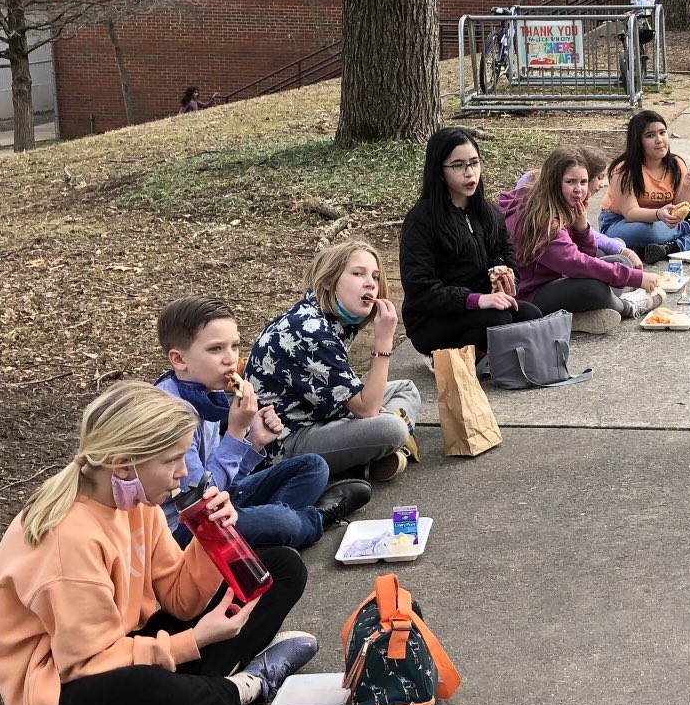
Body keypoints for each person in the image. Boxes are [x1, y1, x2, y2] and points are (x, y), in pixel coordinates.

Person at [0, 381, 319, 705]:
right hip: (64, 688)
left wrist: (213, 538)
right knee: (146, 687)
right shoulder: (67, 542)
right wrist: (194, 640)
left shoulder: (134, 498)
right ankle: (241, 686)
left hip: (123, 645)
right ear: (124, 462)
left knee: (281, 568)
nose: (183, 473)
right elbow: (86, 664)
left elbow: (180, 600)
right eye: (173, 460)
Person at [153, 295, 371, 550]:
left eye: (234, 346)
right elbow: (201, 502)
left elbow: (227, 483)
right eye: (215, 349)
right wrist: (234, 433)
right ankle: (314, 520)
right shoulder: (172, 416)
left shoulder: (206, 394)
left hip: (219, 503)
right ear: (179, 360)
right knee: (280, 520)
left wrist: (254, 441)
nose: (230, 359)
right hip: (185, 528)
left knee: (313, 466)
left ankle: (270, 533)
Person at [249, 239, 421, 483]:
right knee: (391, 428)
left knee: (407, 389)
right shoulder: (310, 330)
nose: (370, 283)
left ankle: (376, 455)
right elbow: (367, 409)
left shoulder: (333, 317)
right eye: (358, 273)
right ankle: (372, 457)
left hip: (320, 414)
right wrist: (384, 341)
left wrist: (363, 412)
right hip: (284, 441)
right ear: (328, 281)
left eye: (374, 276)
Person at [397, 126, 543, 356]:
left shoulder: (490, 213)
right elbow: (420, 289)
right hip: (432, 319)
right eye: (458, 165)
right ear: (439, 170)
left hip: (482, 308)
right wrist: (475, 299)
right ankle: (446, 357)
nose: (469, 172)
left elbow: (509, 259)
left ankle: (483, 354)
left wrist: (506, 277)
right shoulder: (421, 220)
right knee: (499, 321)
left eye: (474, 163)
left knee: (531, 315)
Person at [508, 147, 664, 335]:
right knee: (594, 288)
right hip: (528, 296)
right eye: (570, 182)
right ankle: (627, 306)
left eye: (582, 182)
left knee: (620, 262)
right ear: (553, 182)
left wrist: (582, 228)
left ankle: (576, 318)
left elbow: (587, 254)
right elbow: (576, 263)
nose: (578, 189)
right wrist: (635, 278)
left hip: (555, 279)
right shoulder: (544, 219)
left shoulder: (560, 203)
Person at [600, 109, 690, 254]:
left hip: (665, 222)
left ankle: (667, 248)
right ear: (638, 141)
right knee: (649, 233)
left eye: (662, 132)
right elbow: (631, 213)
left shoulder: (676, 163)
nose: (659, 140)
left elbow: (684, 209)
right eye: (650, 135)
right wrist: (659, 214)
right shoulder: (624, 170)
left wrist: (686, 186)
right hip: (621, 222)